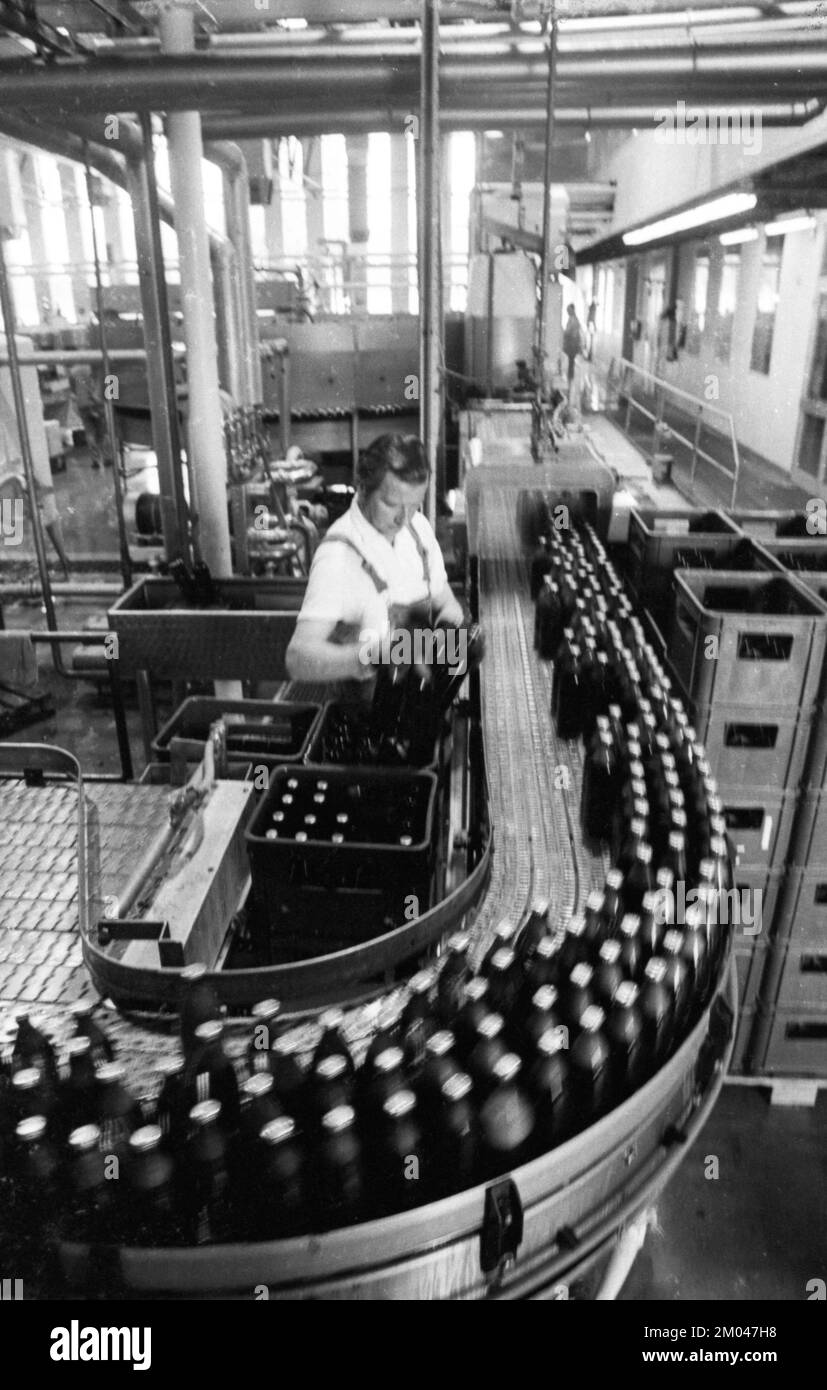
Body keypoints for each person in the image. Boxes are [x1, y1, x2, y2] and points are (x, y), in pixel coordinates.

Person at [285, 433, 464, 693]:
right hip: (363, 711)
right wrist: (370, 656)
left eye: (414, 505)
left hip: (419, 701)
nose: (403, 519)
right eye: (391, 504)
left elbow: (446, 602)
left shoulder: (418, 530)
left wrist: (447, 636)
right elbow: (298, 659)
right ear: (363, 489)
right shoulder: (337, 557)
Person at [562, 303, 585, 395]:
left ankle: (570, 377)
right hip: (572, 343)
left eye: (568, 310)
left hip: (572, 344)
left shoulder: (573, 320)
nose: (567, 312)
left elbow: (570, 332)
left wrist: (564, 332)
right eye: (567, 310)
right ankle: (570, 376)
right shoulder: (572, 319)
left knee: (571, 360)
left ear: (572, 310)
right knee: (571, 361)